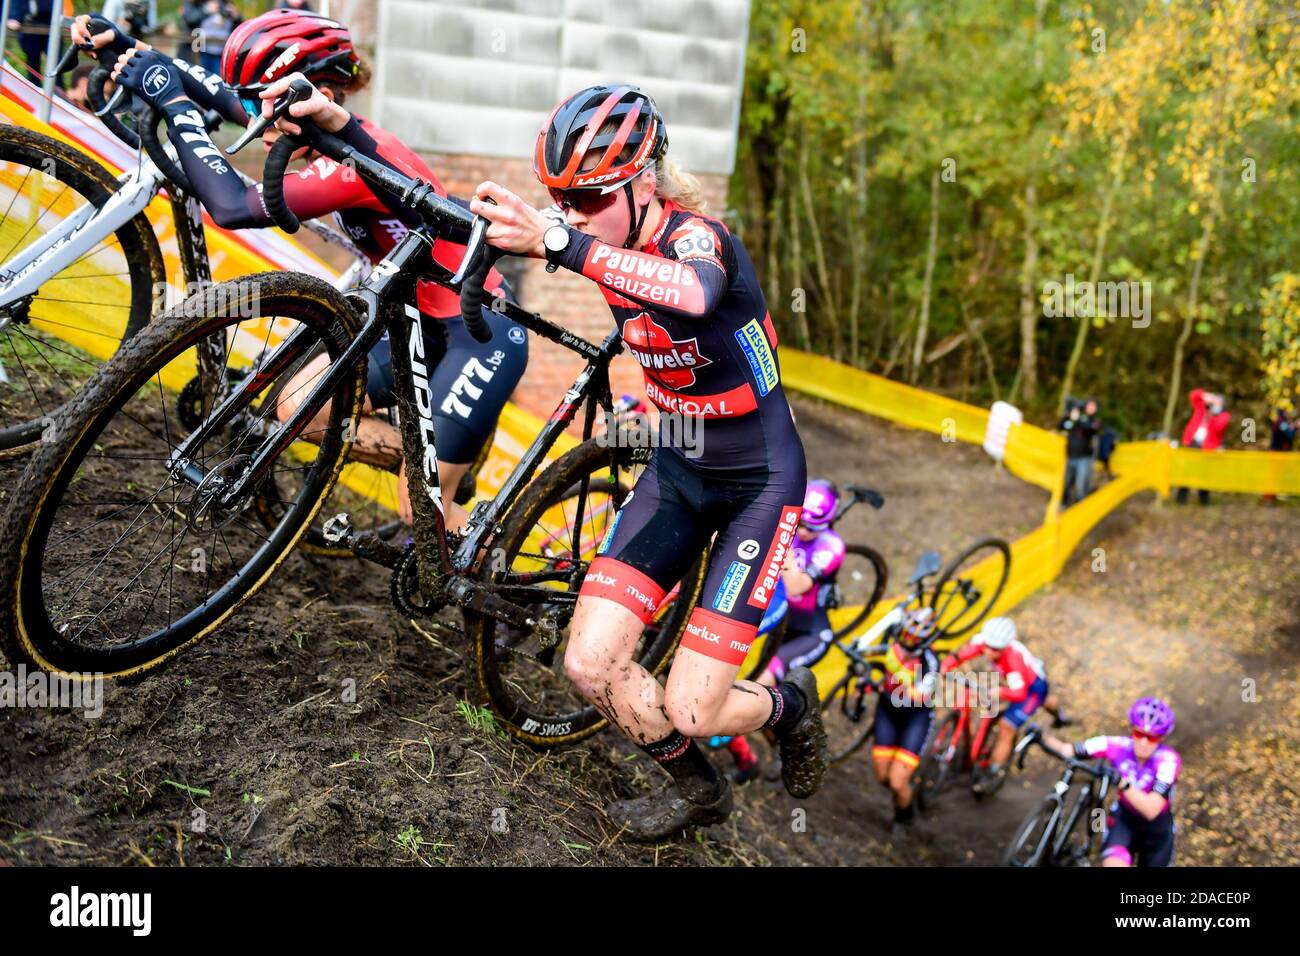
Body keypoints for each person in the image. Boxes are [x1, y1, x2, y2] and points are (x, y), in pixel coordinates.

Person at [466, 84, 827, 840]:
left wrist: (563, 243)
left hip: (760, 484)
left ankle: (790, 704)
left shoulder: (699, 240)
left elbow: (693, 297)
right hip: (681, 466)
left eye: (590, 198)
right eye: (562, 200)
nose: (573, 215)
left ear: (642, 181)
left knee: (696, 707)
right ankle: (699, 791)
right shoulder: (607, 237)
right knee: (589, 666)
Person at [81, 7, 527, 536]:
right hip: (415, 318)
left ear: (319, 99)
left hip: (480, 333)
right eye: (253, 102)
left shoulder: (346, 164)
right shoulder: (312, 128)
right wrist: (135, 52)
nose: (252, 117)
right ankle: (429, 458)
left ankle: (487, 555)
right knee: (300, 408)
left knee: (419, 513)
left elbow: (232, 207)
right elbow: (220, 93)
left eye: (263, 102)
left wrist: (173, 104)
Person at [1035, 697, 1181, 867]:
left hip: (1156, 831)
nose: (1143, 742)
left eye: (1152, 738)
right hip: (1124, 822)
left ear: (1161, 739)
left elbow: (1151, 810)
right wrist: (1041, 737)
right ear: (1131, 729)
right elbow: (1067, 750)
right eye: (1139, 733)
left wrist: (1123, 783)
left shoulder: (1168, 760)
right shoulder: (1116, 745)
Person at [940, 616, 1070, 795]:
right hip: (1014, 681)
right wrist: (946, 665)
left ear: (1004, 647)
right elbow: (964, 654)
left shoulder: (1013, 660)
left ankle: (993, 772)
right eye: (986, 646)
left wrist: (998, 692)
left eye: (993, 649)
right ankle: (1057, 713)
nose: (987, 651)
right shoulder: (988, 642)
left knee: (1006, 727)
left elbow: (1019, 693)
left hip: (1032, 689)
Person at [873, 606, 940, 834]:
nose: (906, 640)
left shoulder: (930, 662)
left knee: (897, 781)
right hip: (887, 711)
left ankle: (905, 817)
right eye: (905, 633)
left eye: (913, 637)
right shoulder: (892, 637)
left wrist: (896, 678)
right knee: (883, 776)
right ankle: (901, 796)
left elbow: (920, 695)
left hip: (915, 717)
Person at [1175, 388, 1229, 505]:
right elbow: (1193, 395)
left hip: (1208, 449)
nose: (1216, 403)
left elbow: (1218, 427)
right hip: (1192, 443)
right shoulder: (1202, 408)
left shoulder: (1224, 416)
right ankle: (1181, 500)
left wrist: (1214, 414)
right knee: (1186, 472)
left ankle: (1204, 501)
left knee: (1205, 474)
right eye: (1215, 401)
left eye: (1218, 402)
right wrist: (1206, 395)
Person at [1058, 397, 1100, 506]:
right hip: (1070, 456)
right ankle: (1064, 504)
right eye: (1089, 405)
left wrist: (1077, 418)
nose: (1091, 408)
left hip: (1084, 459)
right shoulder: (1076, 418)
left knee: (1080, 486)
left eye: (1093, 406)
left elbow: (1090, 429)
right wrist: (1068, 415)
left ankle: (1079, 508)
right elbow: (1061, 426)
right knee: (1066, 483)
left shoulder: (1094, 421)